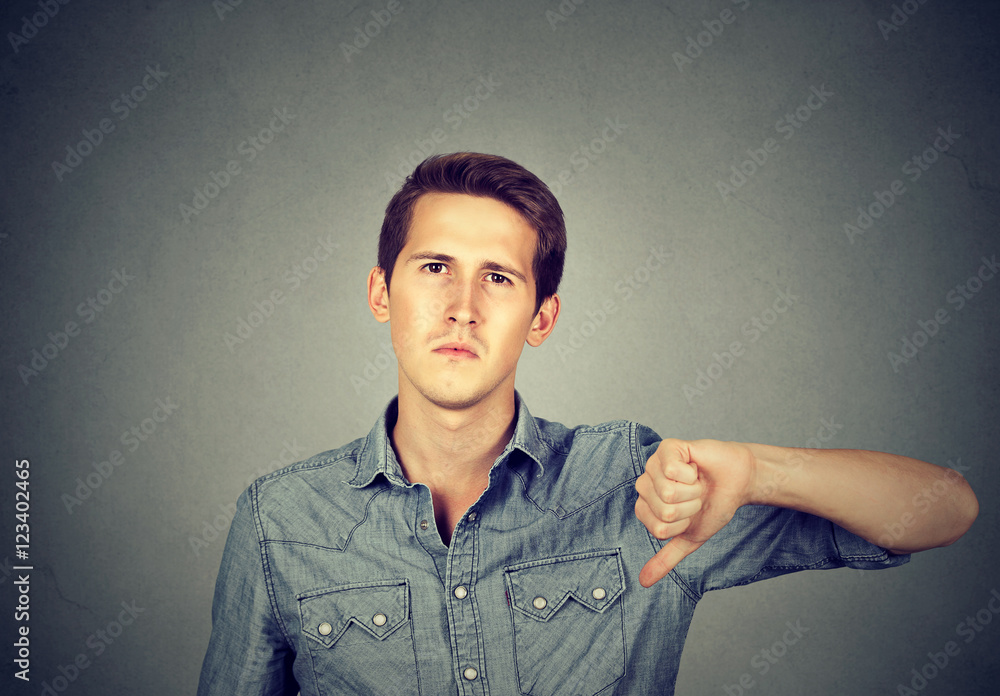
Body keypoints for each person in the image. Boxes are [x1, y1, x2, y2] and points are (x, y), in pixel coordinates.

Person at [197, 152, 978, 695]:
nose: (461, 307)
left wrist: (757, 470)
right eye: (434, 267)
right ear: (381, 292)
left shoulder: (641, 488)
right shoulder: (279, 522)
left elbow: (943, 510)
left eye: (497, 278)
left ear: (542, 317)